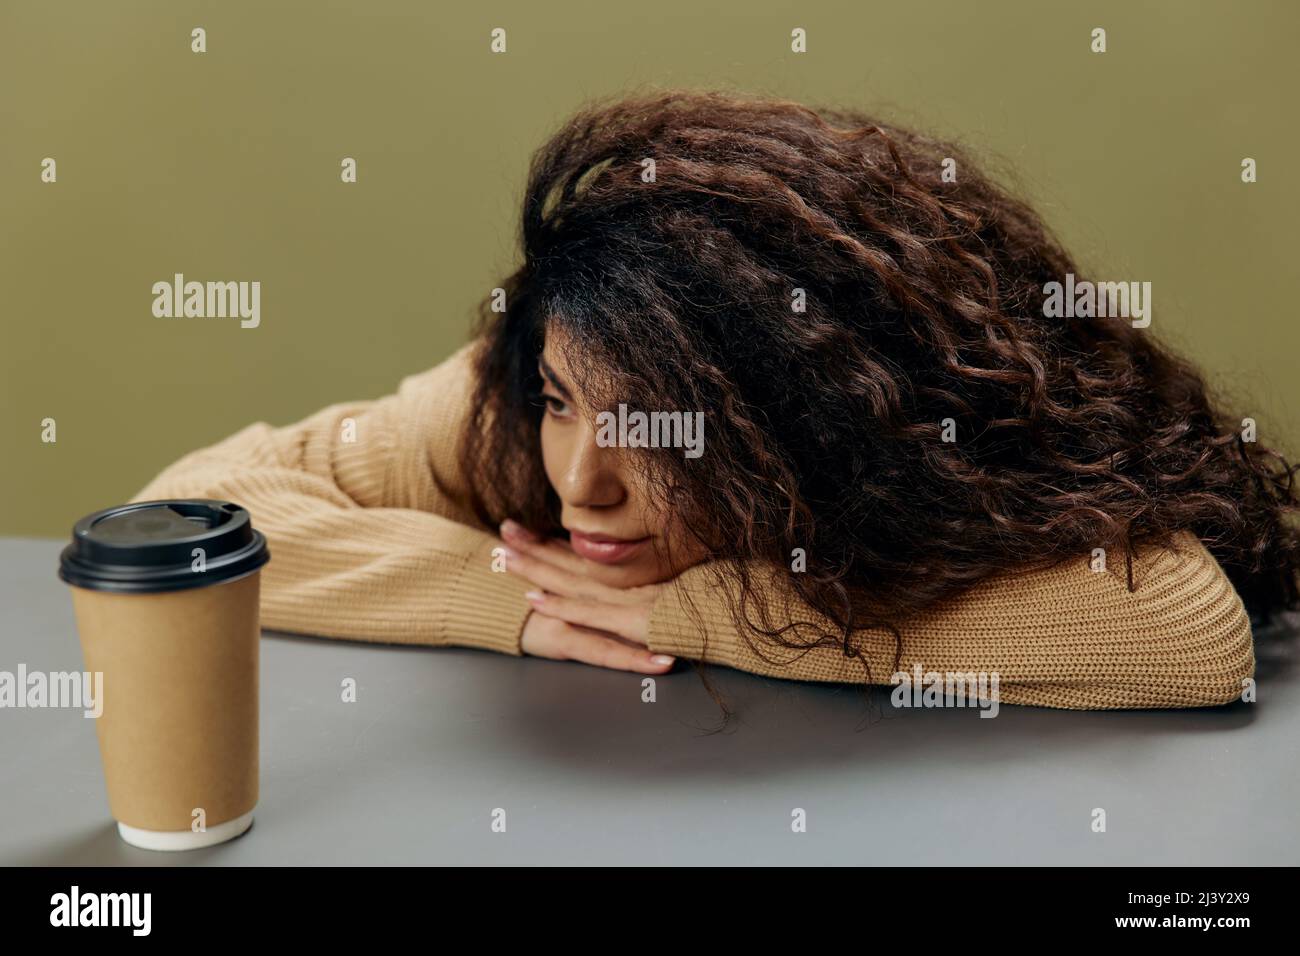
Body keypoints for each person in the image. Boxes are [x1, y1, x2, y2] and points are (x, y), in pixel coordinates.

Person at [133, 90, 1300, 711]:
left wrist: (703, 615)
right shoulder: (515, 406)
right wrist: (513, 600)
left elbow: (1183, 628)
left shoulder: (903, 454)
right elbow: (187, 507)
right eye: (558, 400)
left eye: (650, 427)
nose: (578, 478)